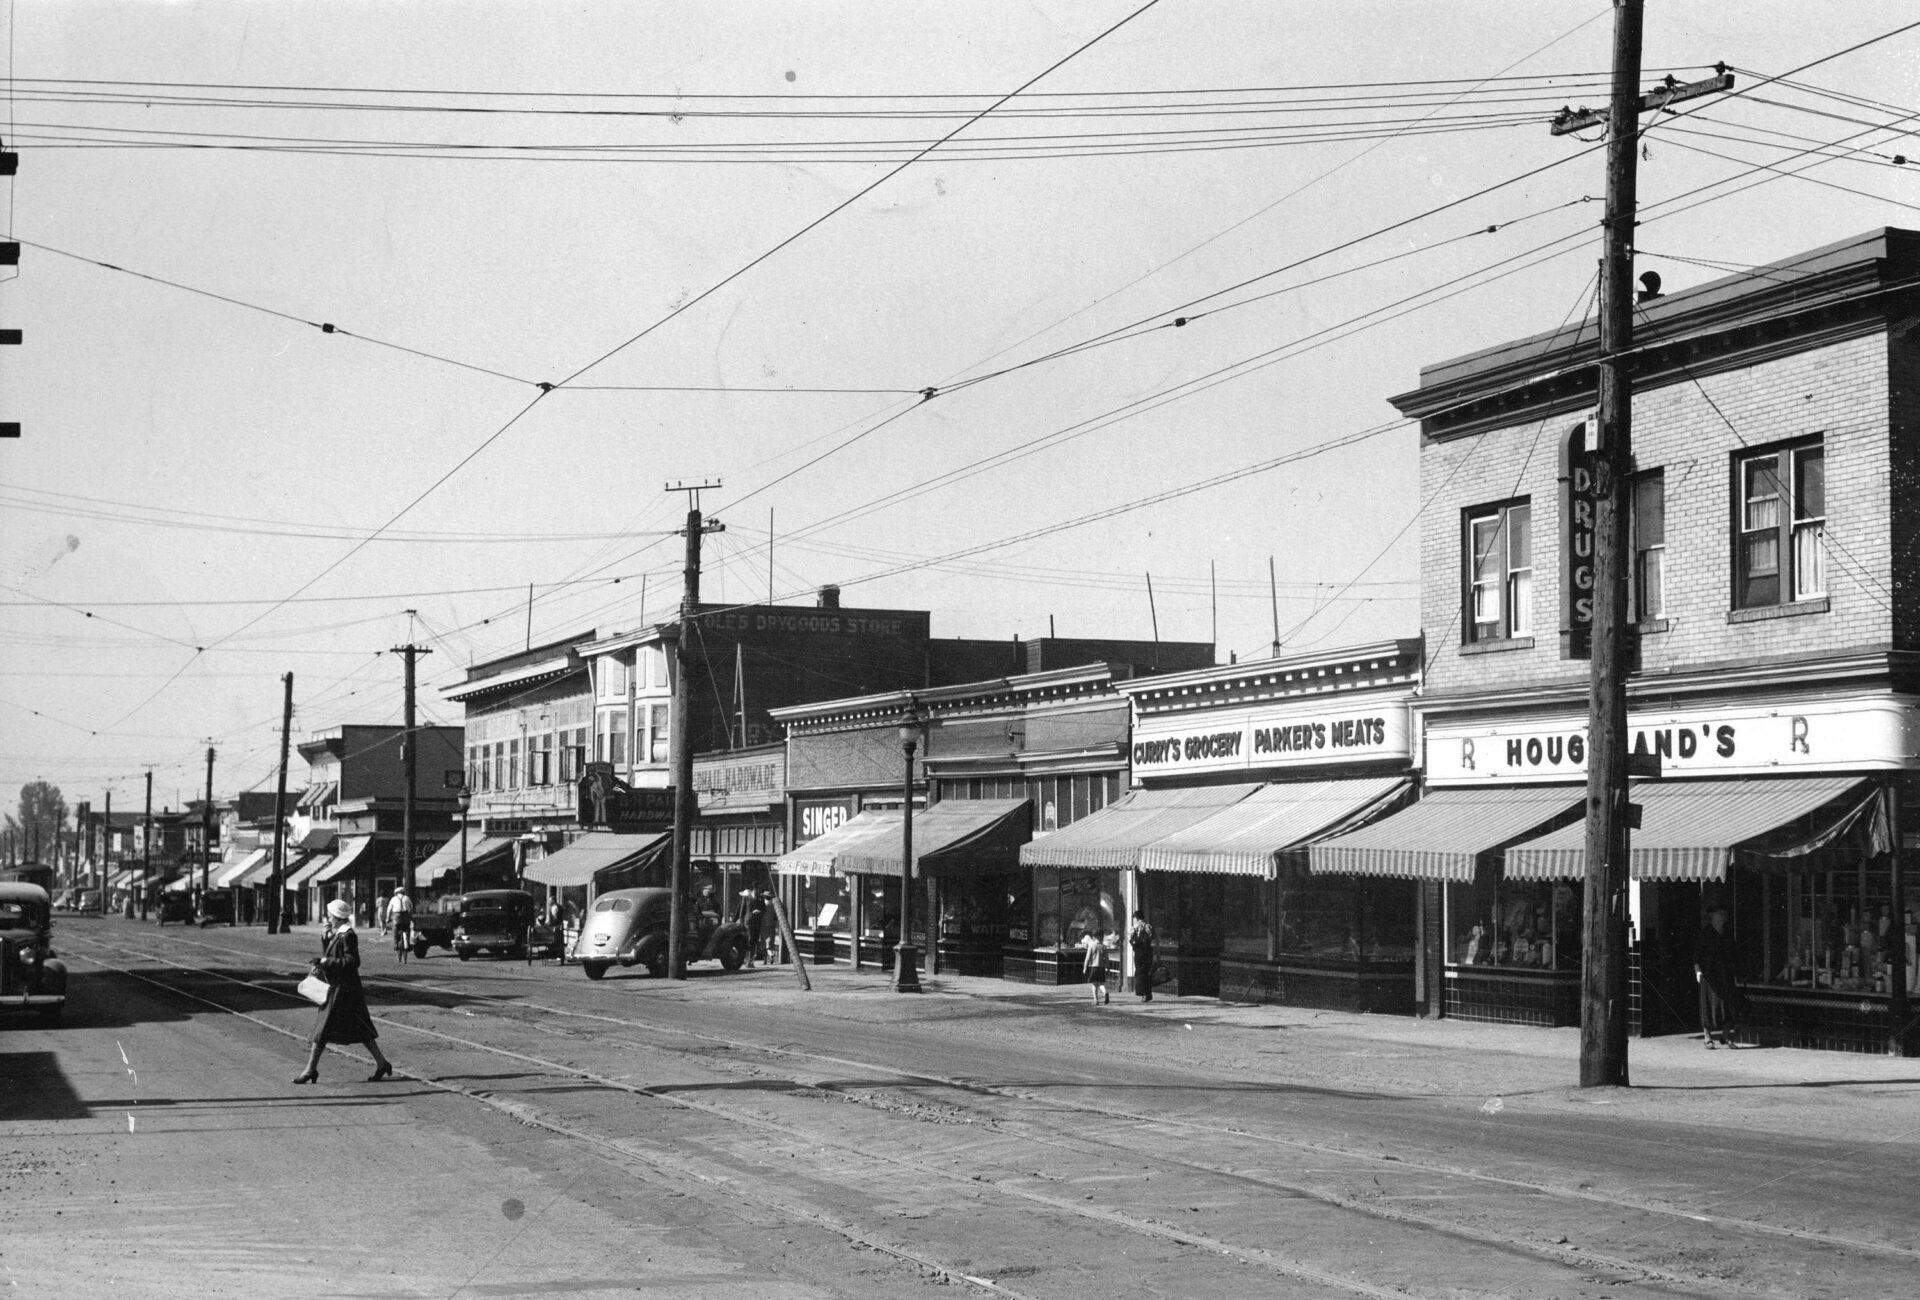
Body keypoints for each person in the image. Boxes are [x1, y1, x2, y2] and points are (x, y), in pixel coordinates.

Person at [293, 898, 395, 1084]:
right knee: (359, 1029)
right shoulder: (337, 934)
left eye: (331, 915)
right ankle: (381, 1063)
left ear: (338, 918)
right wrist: (325, 941)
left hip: (344, 990)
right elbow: (333, 956)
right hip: (339, 989)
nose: (328, 918)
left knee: (322, 1030)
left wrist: (325, 962)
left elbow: (352, 961)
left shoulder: (347, 935)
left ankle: (310, 1070)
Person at [1695, 902, 1740, 1049]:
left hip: (1725, 975)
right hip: (1709, 976)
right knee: (1708, 1006)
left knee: (1727, 1006)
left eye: (1724, 914)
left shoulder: (1727, 933)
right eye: (1720, 914)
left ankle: (1726, 1036)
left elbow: (1733, 953)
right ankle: (1707, 1037)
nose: (1723, 917)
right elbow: (1697, 955)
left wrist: (1735, 970)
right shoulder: (1705, 934)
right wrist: (1698, 971)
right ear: (1713, 917)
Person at [1128, 911, 1156, 1003]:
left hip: (1139, 952)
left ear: (1136, 918)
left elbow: (1131, 939)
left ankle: (1143, 993)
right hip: (1148, 951)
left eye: (1134, 918)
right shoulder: (1149, 926)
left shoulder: (1135, 927)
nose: (1133, 920)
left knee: (1140, 972)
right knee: (1146, 972)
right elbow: (1153, 937)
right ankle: (1147, 993)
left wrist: (1135, 943)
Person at [1080, 926, 1111, 1004]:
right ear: (1102, 936)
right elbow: (1107, 959)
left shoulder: (1092, 945)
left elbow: (1087, 958)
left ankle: (1095, 1000)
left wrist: (1084, 967)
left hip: (1094, 967)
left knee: (1094, 984)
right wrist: (1108, 967)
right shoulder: (1104, 947)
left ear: (1094, 937)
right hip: (1101, 967)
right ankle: (1105, 993)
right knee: (1101, 983)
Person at [386, 887, 413, 961]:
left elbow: (389, 909)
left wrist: (388, 918)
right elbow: (411, 908)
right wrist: (410, 916)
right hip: (406, 916)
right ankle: (408, 942)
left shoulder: (393, 899)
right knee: (407, 928)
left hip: (397, 916)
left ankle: (395, 943)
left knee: (395, 927)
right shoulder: (407, 898)